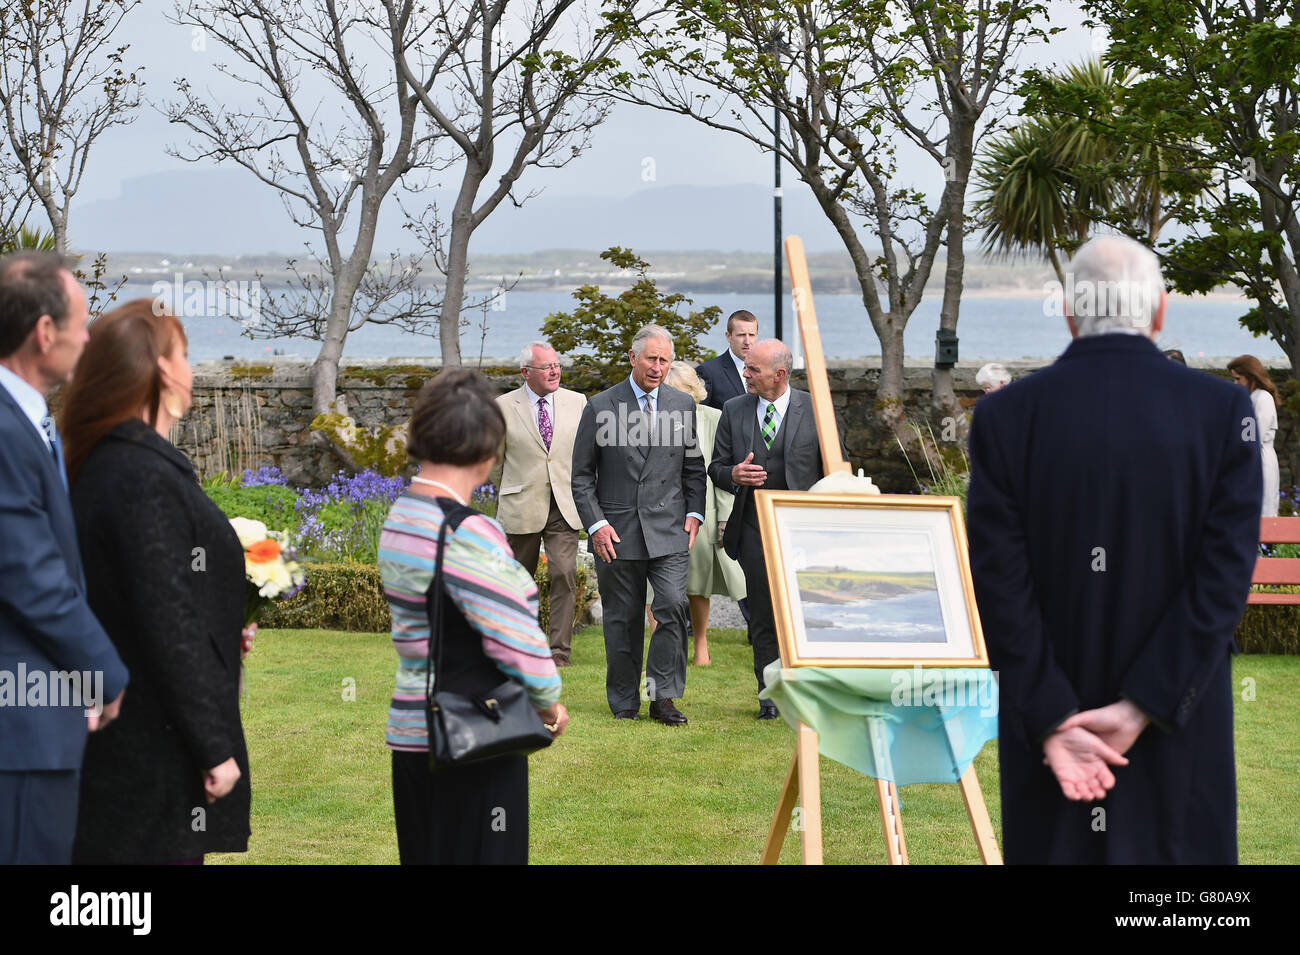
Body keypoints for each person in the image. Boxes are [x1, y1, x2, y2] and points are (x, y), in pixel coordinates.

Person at [967, 235, 1261, 864]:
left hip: (1055, 732)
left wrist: (1051, 716)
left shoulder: (1005, 417)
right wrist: (1142, 706)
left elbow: (998, 581)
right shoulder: (1222, 411)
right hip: (1179, 723)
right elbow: (1224, 578)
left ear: (1072, 314)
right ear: (1159, 312)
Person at [61, 299, 252, 864]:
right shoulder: (140, 476)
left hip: (132, 749)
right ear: (163, 370)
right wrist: (213, 746)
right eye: (185, 355)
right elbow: (164, 618)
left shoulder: (111, 462)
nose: (192, 369)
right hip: (150, 749)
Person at [380, 369, 567, 864]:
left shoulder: (400, 518)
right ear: (486, 454)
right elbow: (516, 638)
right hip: (475, 734)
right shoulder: (469, 531)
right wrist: (548, 704)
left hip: (412, 733)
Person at [0, 251, 129, 864]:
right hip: (18, 730)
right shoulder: (4, 430)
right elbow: (31, 576)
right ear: (43, 332)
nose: (87, 337)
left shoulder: (29, 422)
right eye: (80, 323)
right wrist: (104, 670)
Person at [571, 324, 706, 725]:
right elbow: (580, 477)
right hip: (617, 532)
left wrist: (694, 514)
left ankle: (662, 696)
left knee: (671, 606)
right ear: (633, 358)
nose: (658, 367)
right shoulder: (600, 407)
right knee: (622, 617)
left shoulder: (683, 406)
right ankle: (625, 699)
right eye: (652, 358)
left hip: (670, 530)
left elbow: (694, 468)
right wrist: (596, 526)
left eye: (665, 360)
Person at [709, 339, 825, 719]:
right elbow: (717, 466)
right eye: (745, 367)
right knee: (762, 615)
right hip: (755, 527)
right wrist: (734, 475)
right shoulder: (733, 409)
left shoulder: (815, 408)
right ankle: (769, 697)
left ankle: (807, 694)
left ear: (779, 374)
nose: (745, 375)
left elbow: (833, 467)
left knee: (805, 615)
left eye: (753, 369)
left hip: (804, 530)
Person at [645, 362, 746, 665]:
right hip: (657, 512)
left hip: (701, 511)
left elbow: (722, 471)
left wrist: (726, 516)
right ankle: (662, 648)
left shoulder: (714, 418)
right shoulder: (648, 417)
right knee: (654, 585)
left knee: (697, 584)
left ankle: (700, 644)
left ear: (691, 393)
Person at [495, 341, 588, 666]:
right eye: (546, 367)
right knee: (519, 579)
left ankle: (558, 652)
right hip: (520, 506)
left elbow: (585, 457)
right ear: (526, 372)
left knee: (564, 573)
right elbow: (494, 463)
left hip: (564, 505)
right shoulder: (503, 407)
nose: (554, 371)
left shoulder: (578, 402)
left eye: (557, 365)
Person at [1228, 354, 1280, 517]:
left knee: (1262, 513)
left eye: (1238, 379)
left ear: (1250, 377)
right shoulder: (1249, 398)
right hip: (1249, 460)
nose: (1235, 384)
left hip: (1259, 461)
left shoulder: (1262, 399)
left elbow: (1252, 437)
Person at [696, 309, 758, 411]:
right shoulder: (707, 372)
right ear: (728, 336)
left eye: (751, 335)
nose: (747, 341)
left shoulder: (764, 369)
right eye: (741, 335)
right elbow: (699, 416)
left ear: (757, 336)